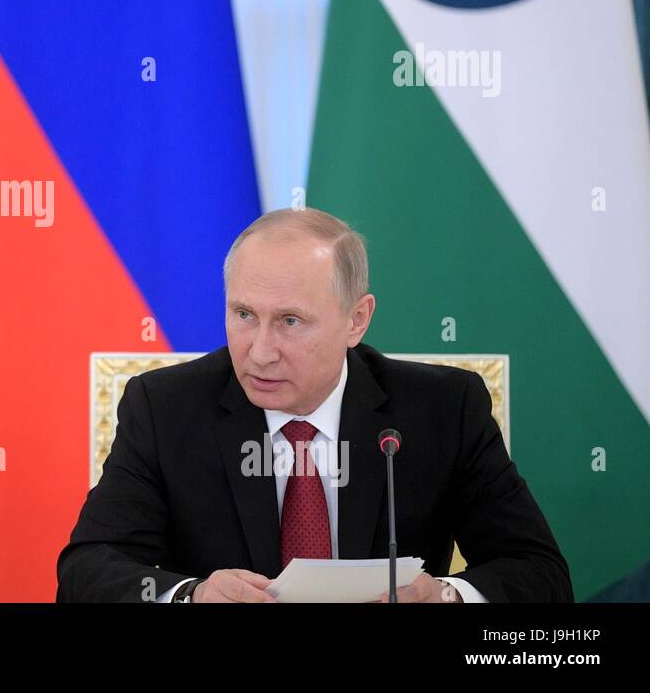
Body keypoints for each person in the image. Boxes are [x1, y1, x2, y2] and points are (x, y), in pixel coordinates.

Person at [57, 208, 572, 603]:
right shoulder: (166, 408)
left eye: (290, 322)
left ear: (357, 319)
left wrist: (446, 595)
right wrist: (191, 594)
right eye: (243, 314)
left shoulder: (443, 409)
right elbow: (87, 570)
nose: (259, 351)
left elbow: (539, 572)